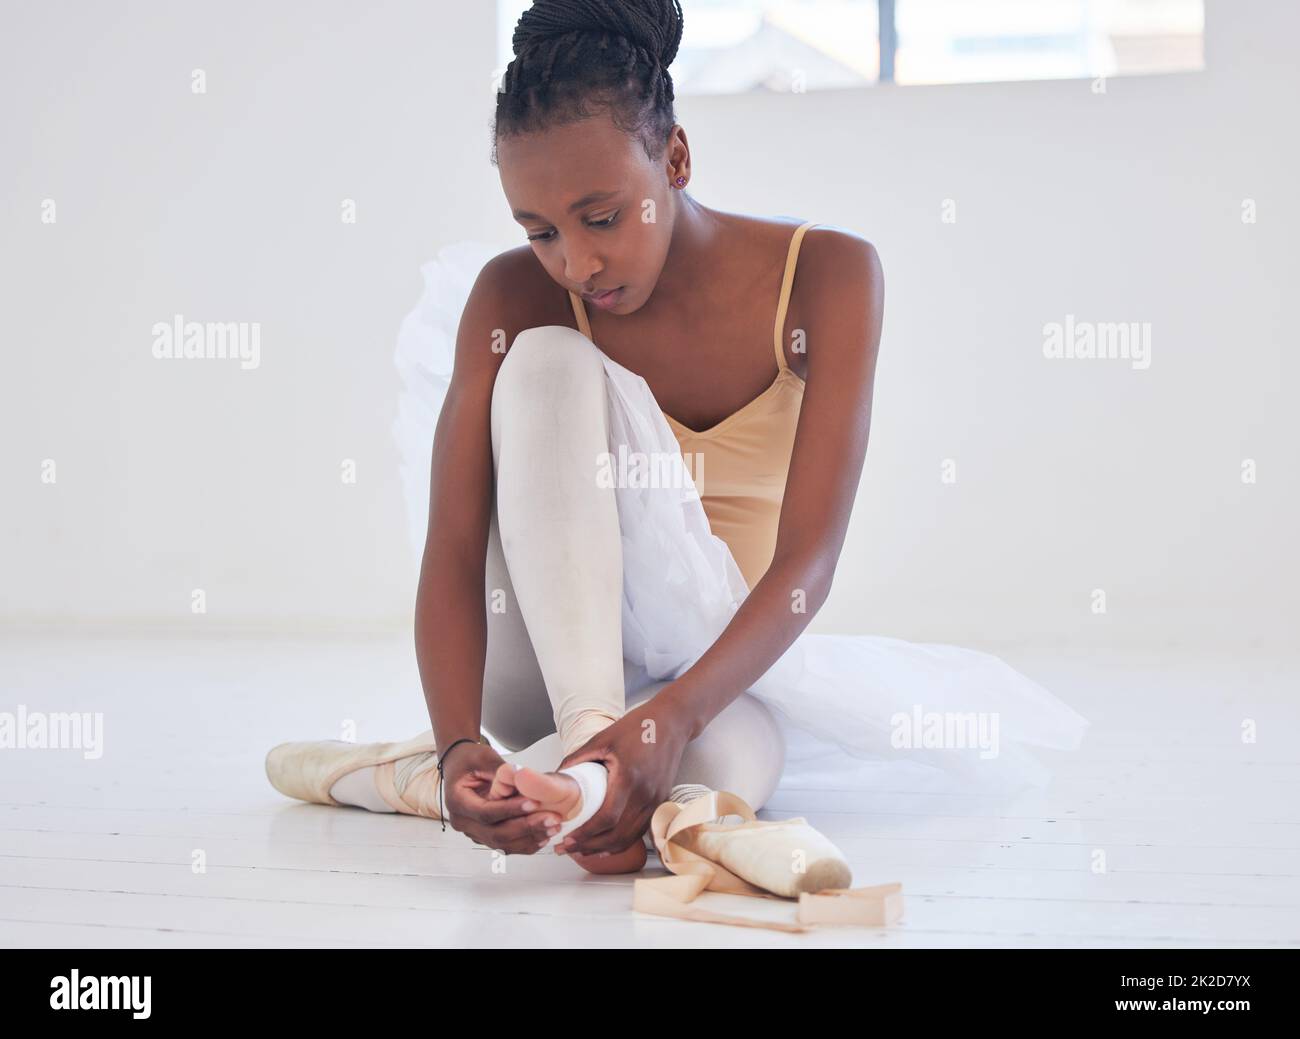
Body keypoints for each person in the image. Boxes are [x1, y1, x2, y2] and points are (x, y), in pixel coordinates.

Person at [266, 0, 1089, 885]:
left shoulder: (829, 278)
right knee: (545, 359)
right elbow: (457, 549)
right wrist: (464, 730)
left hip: (705, 670)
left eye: (602, 217)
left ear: (677, 157)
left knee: (736, 765)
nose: (574, 263)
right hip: (540, 661)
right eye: (539, 231)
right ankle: (573, 749)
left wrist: (669, 720)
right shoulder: (516, 298)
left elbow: (807, 565)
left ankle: (464, 781)